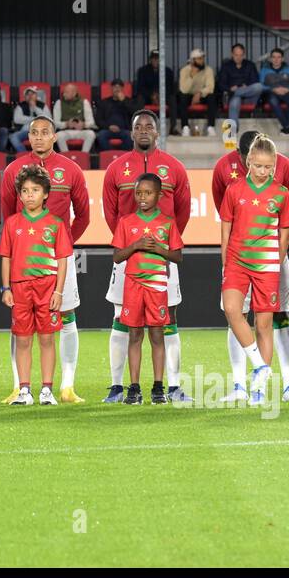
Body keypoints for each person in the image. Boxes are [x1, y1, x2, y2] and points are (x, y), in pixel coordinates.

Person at [102, 109, 192, 403]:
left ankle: (172, 385)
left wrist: (164, 246)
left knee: (168, 317)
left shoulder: (174, 167)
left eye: (149, 126)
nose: (143, 130)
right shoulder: (116, 168)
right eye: (138, 126)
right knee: (122, 317)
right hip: (128, 253)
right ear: (131, 133)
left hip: (161, 256)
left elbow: (183, 212)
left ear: (157, 132)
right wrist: (129, 242)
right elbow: (111, 213)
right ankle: (119, 386)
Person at [0, 116, 91, 403]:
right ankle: (19, 386)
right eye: (34, 133)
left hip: (58, 262)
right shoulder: (13, 170)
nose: (39, 137)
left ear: (54, 137)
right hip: (23, 265)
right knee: (21, 325)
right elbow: (7, 214)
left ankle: (66, 386)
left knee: (66, 317)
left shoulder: (71, 169)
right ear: (28, 136)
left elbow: (84, 215)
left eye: (45, 133)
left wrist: (59, 245)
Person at [212, 130, 289, 402]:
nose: (263, 171)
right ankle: (259, 367)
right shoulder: (234, 189)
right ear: (248, 161)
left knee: (265, 325)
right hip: (237, 262)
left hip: (267, 265)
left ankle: (260, 389)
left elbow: (285, 230)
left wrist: (277, 258)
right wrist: (226, 259)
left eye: (269, 167)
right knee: (232, 311)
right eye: (258, 165)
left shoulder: (281, 193)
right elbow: (225, 228)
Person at [0, 164, 72, 405]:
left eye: (35, 190)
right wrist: (6, 288)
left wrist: (59, 291)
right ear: (19, 195)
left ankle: (47, 390)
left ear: (46, 193)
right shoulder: (12, 223)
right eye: (25, 191)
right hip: (20, 288)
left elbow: (62, 260)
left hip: (47, 287)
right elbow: (6, 257)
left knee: (47, 338)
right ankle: (24, 390)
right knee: (22, 339)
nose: (29, 195)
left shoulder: (55, 223)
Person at [109, 173, 183, 405]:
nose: (142, 197)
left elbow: (178, 256)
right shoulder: (126, 222)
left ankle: (158, 387)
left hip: (157, 284)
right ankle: (134, 388)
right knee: (134, 335)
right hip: (132, 285)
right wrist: (136, 245)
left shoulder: (168, 223)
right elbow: (117, 256)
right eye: (139, 193)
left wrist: (159, 249)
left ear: (159, 195)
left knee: (157, 335)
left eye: (148, 193)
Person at [173, 48, 217, 136]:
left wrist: (200, 93)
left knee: (212, 97)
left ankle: (210, 127)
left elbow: (210, 87)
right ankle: (185, 127)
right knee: (182, 97)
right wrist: (192, 76)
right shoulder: (184, 70)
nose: (202, 61)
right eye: (199, 59)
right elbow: (183, 89)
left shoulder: (208, 70)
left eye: (202, 58)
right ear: (193, 60)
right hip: (188, 96)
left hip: (202, 95)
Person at [218, 42, 263, 127]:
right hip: (232, 96)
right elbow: (221, 84)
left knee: (259, 86)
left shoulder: (250, 65)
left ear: (244, 55)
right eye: (236, 55)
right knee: (235, 101)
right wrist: (230, 89)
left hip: (249, 97)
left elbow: (255, 81)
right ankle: (233, 130)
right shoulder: (226, 66)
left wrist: (246, 87)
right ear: (232, 54)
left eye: (241, 55)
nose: (238, 57)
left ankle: (237, 92)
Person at [259, 48, 289, 135]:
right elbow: (260, 86)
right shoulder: (264, 70)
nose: (276, 60)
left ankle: (286, 127)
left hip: (286, 93)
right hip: (271, 93)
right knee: (273, 101)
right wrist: (273, 89)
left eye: (279, 57)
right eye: (274, 57)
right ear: (270, 59)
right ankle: (287, 126)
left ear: (282, 59)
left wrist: (287, 89)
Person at [53, 82, 96, 153]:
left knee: (91, 134)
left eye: (67, 92)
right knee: (58, 136)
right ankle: (66, 158)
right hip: (66, 131)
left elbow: (91, 122)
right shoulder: (59, 103)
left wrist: (83, 124)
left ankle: (84, 155)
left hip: (81, 131)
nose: (64, 94)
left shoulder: (84, 102)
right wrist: (66, 124)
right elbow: (55, 123)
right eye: (64, 92)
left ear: (74, 93)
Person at [95, 79, 137, 152]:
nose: (117, 89)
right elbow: (98, 119)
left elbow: (134, 114)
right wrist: (109, 127)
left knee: (130, 136)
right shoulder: (104, 102)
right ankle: (110, 155)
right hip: (107, 129)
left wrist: (124, 101)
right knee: (101, 135)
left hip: (124, 130)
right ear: (111, 89)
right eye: (115, 87)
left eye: (119, 87)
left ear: (122, 89)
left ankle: (122, 155)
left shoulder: (128, 101)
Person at [10, 87, 49, 152]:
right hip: (25, 131)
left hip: (40, 131)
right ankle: (25, 156)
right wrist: (36, 119)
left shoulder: (43, 105)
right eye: (28, 94)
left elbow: (48, 119)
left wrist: (35, 107)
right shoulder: (21, 106)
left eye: (32, 94)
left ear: (36, 96)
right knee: (13, 137)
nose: (30, 96)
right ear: (25, 97)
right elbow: (16, 119)